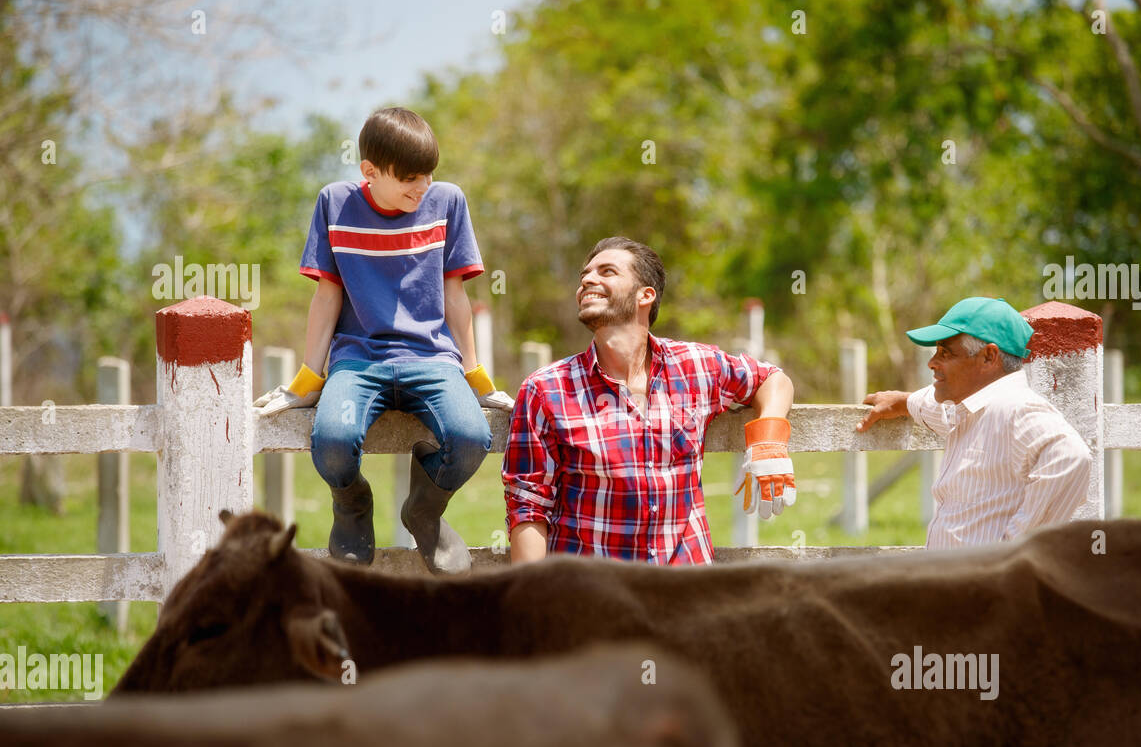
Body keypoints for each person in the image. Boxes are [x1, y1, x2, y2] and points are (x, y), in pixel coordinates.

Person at [254, 107, 513, 573]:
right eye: (410, 177)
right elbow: (327, 297)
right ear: (369, 171)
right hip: (358, 362)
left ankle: (424, 511)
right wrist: (307, 380)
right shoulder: (334, 203)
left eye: (428, 174)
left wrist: (476, 376)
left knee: (471, 435)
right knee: (332, 438)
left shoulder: (448, 202)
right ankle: (352, 503)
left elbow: (455, 295)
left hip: (433, 359)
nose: (422, 187)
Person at [503, 236, 796, 564]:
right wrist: (528, 607)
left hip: (685, 592)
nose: (587, 280)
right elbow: (528, 508)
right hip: (595, 594)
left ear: (646, 295)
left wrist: (768, 441)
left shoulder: (695, 366)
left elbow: (772, 379)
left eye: (607, 271)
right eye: (584, 275)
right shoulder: (546, 390)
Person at [857, 296, 1090, 549]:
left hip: (989, 582)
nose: (932, 362)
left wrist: (1014, 553)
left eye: (945, 352)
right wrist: (904, 401)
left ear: (989, 357)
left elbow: (1072, 457)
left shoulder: (1014, 408)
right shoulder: (972, 408)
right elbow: (941, 413)